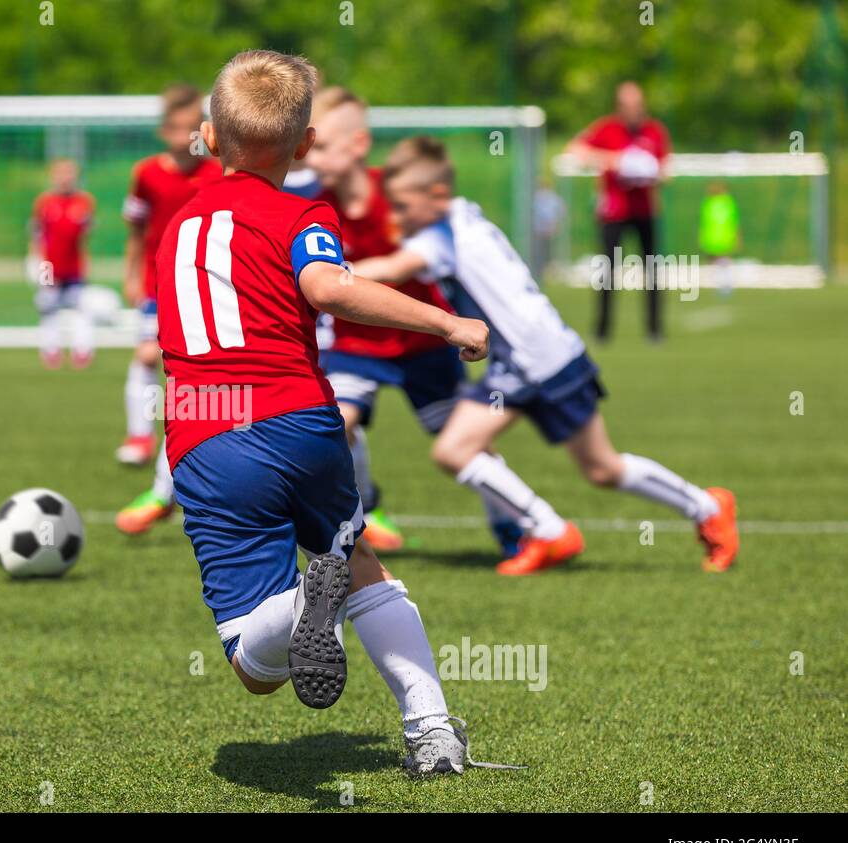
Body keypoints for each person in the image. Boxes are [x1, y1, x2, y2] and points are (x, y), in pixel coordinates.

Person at [158, 50, 514, 778]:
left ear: (211, 137)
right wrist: (449, 325)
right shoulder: (302, 212)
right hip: (301, 422)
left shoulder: (179, 227)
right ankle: (433, 732)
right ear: (306, 144)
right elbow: (326, 285)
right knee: (358, 563)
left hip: (205, 435)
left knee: (256, 672)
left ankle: (295, 612)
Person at [353, 136, 739, 576]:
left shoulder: (442, 236)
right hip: (518, 363)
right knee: (455, 449)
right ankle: (548, 529)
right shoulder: (460, 217)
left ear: (437, 195)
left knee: (602, 469)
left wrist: (322, 276)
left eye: (403, 206)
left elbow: (390, 269)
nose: (398, 218)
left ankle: (707, 506)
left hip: (545, 359)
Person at [307, 86, 522, 555]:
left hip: (422, 343)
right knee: (337, 421)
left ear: (358, 145)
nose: (311, 157)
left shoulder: (404, 194)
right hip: (356, 344)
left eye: (321, 145)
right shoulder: (315, 209)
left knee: (464, 441)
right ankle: (369, 506)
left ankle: (513, 526)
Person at [117, 83, 224, 468]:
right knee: (147, 355)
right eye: (176, 128)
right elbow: (135, 231)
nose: (184, 138)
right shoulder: (146, 174)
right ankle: (139, 436)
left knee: (194, 368)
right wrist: (130, 276)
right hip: (156, 283)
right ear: (164, 131)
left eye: (191, 128)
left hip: (202, 285)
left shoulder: (217, 174)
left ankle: (188, 443)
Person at [567, 82, 671, 343]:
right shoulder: (607, 128)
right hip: (614, 212)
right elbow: (575, 149)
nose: (634, 110)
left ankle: (654, 330)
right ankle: (602, 330)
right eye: (628, 105)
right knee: (608, 271)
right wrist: (614, 160)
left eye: (637, 105)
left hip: (644, 210)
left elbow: (666, 168)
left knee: (652, 270)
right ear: (619, 107)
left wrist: (649, 170)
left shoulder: (654, 131)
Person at [28, 158, 96, 368]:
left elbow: (85, 235)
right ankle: (51, 350)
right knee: (48, 308)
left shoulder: (84, 202)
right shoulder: (44, 202)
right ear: (53, 176)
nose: (65, 178)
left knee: (80, 308)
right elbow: (36, 234)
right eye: (61, 173)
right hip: (49, 266)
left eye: (69, 173)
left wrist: (86, 261)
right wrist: (35, 261)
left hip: (74, 266)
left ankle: (82, 351)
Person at [698, 182, 740, 297]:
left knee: (722, 260)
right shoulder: (711, 203)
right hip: (715, 237)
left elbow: (734, 221)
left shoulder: (724, 203)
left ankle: (724, 285)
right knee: (718, 260)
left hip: (721, 237)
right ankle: (721, 284)